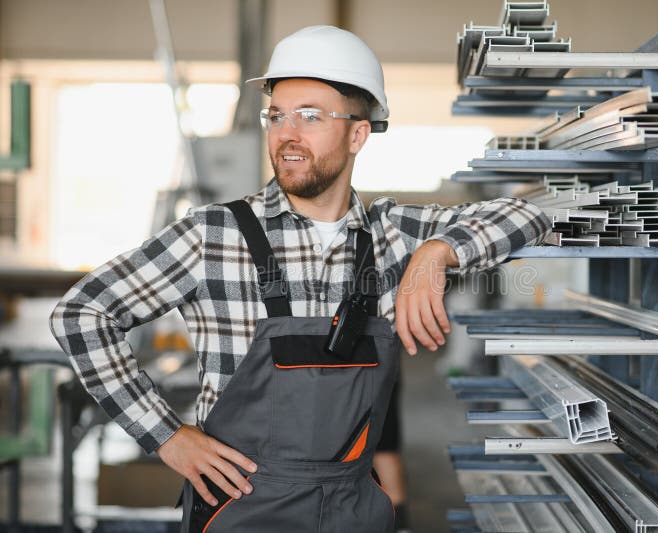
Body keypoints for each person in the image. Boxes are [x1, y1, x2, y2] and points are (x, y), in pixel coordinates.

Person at [49, 25, 550, 533]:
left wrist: (438, 252)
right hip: (239, 507)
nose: (287, 133)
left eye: (310, 116)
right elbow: (82, 314)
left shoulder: (393, 235)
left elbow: (530, 213)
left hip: (351, 512)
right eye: (277, 116)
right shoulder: (212, 236)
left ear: (358, 133)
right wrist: (166, 435)